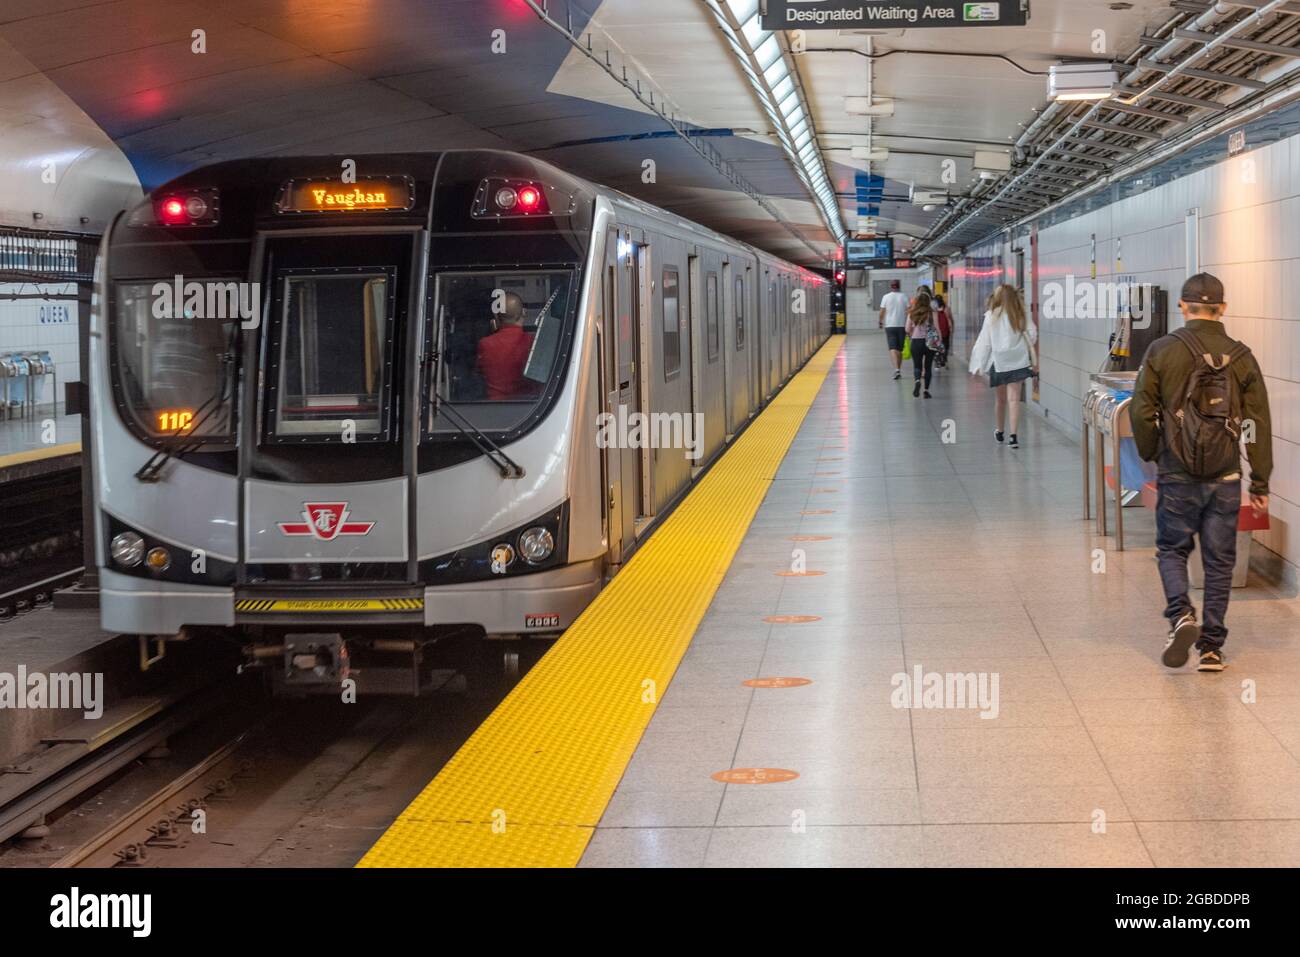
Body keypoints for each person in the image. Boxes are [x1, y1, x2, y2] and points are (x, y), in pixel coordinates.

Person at [1130, 273, 1272, 673]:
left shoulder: (1161, 350)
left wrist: (1154, 452)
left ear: (1183, 306)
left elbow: (1142, 411)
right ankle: (1211, 648)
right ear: (1222, 308)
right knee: (1220, 561)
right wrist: (1260, 480)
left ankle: (1181, 615)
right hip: (1226, 476)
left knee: (1173, 549)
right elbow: (1257, 422)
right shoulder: (1242, 356)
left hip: (1176, 473)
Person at [968, 284, 1036, 449]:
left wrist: (978, 365)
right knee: (1014, 400)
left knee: (1001, 400)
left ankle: (1000, 431)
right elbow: (1032, 335)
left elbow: (984, 342)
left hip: (999, 362)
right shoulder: (1021, 314)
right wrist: (1021, 348)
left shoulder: (991, 316)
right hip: (1018, 361)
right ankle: (1013, 437)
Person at [476, 291, 537, 400]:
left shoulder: (485, 344)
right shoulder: (533, 342)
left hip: (495, 408)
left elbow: (479, 375)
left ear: (496, 316)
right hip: (527, 407)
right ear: (524, 312)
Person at [905, 292, 936, 399]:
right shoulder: (931, 313)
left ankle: (918, 381)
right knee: (928, 367)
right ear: (928, 302)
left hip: (916, 342)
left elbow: (907, 329)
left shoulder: (912, 313)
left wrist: (912, 334)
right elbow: (936, 328)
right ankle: (926, 391)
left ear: (917, 302)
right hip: (929, 342)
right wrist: (939, 341)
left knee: (917, 366)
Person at [878, 280, 909, 380]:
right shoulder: (904, 296)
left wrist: (880, 321)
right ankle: (898, 369)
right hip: (902, 326)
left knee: (892, 348)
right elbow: (909, 311)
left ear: (891, 287)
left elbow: (882, 311)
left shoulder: (886, 297)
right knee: (899, 349)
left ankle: (897, 370)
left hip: (890, 326)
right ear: (899, 286)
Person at [933, 294, 953, 367]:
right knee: (945, 345)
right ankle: (943, 358)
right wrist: (951, 328)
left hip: (937, 330)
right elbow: (950, 319)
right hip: (945, 330)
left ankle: (937, 358)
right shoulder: (947, 308)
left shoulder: (934, 309)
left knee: (937, 345)